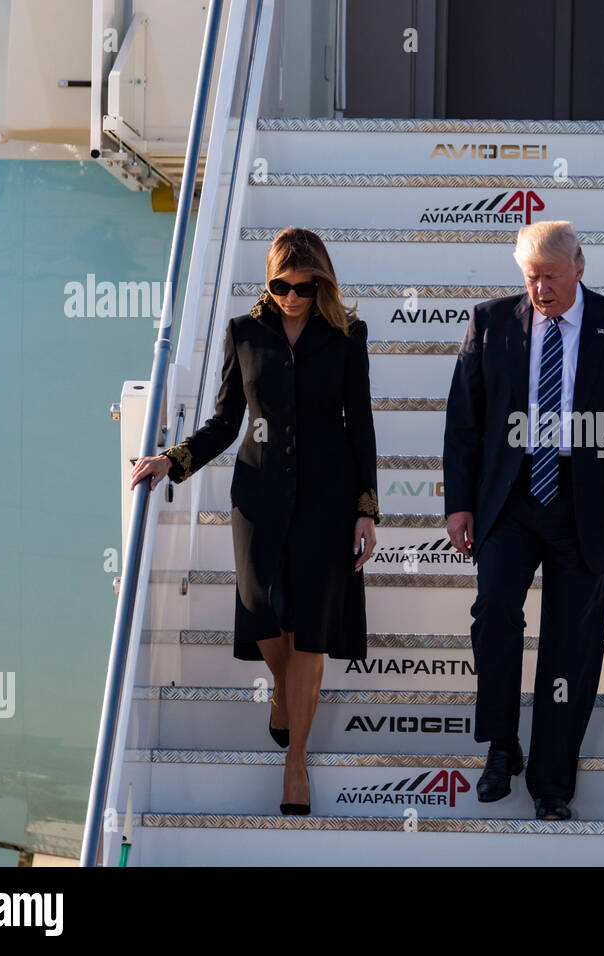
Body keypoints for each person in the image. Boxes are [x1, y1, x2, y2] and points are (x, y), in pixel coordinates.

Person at [129, 226, 378, 815]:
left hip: (327, 496)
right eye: (281, 285)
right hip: (259, 493)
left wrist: (366, 508)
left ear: (321, 281)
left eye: (303, 285)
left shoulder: (347, 335)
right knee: (263, 610)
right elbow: (224, 421)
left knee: (311, 626)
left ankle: (297, 766)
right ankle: (285, 698)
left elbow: (361, 423)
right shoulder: (244, 332)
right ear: (268, 281)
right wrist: (173, 459)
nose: (292, 296)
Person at [443, 220, 604, 821]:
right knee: (495, 610)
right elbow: (464, 421)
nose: (540, 288)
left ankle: (553, 785)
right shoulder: (491, 322)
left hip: (587, 501)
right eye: (530, 277)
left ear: (579, 267)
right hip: (510, 499)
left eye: (550, 276)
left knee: (570, 646)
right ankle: (501, 745)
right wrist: (458, 503)